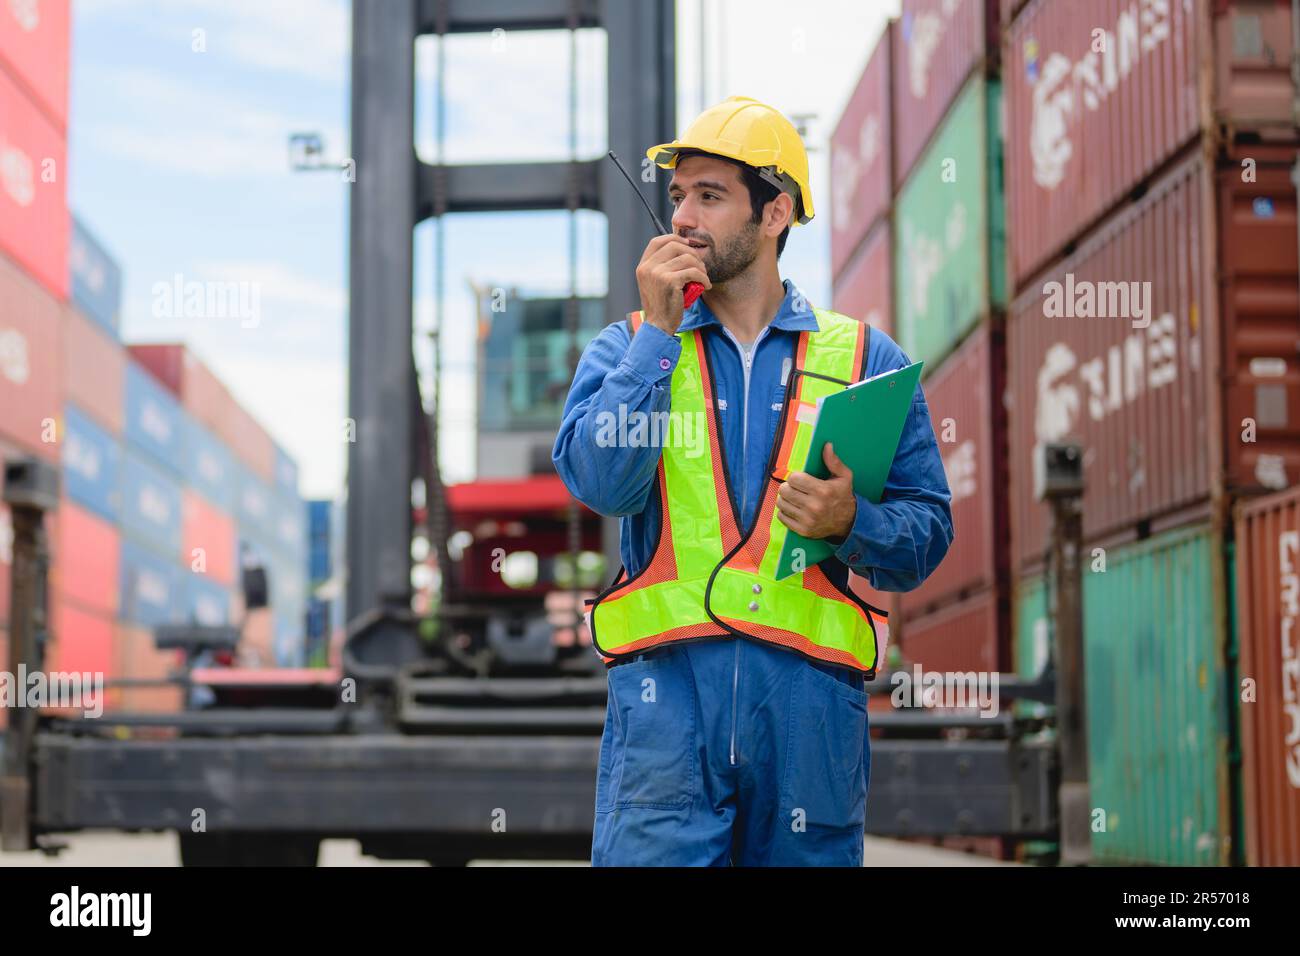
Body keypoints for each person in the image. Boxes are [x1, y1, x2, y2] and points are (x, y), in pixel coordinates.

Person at [553, 96, 953, 866]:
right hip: (666, 719)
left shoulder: (868, 360)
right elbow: (601, 483)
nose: (684, 220)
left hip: (808, 726)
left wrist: (852, 523)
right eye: (677, 197)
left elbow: (926, 535)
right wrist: (658, 339)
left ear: (775, 213)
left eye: (710, 196)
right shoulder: (631, 347)